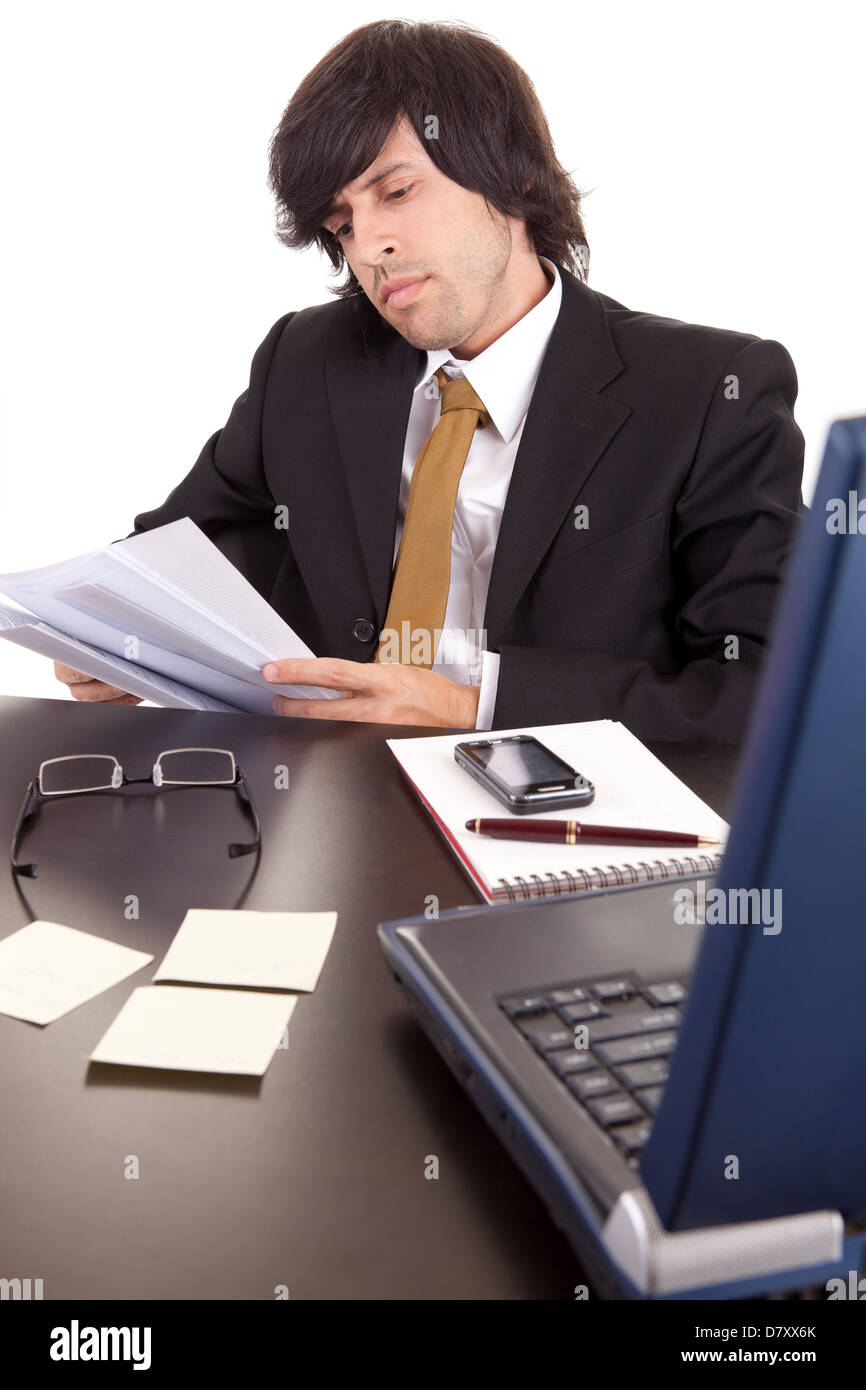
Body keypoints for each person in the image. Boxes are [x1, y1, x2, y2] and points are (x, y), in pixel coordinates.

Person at [55, 19, 804, 741]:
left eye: (397, 192)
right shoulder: (307, 360)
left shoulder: (710, 392)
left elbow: (766, 689)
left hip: (558, 813)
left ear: (510, 175)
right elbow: (185, 547)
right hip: (328, 801)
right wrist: (118, 633)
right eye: (342, 224)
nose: (371, 245)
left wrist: (465, 705)